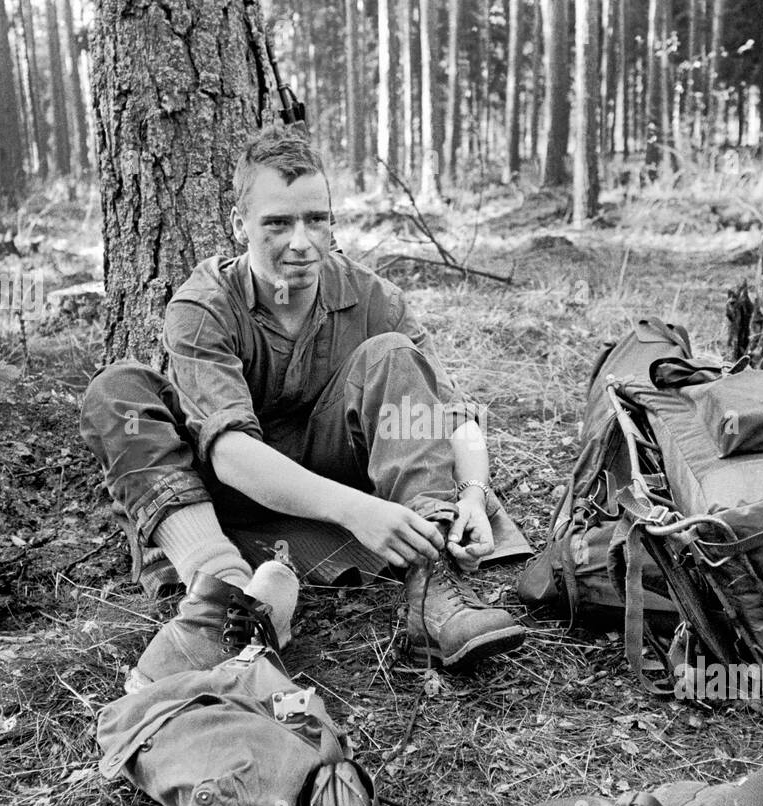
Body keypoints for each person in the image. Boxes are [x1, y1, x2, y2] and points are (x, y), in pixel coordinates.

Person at [80, 126, 526, 689]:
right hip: (227, 497)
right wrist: (356, 512)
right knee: (117, 391)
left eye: (317, 219)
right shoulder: (202, 305)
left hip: (336, 473)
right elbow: (232, 454)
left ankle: (433, 590)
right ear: (238, 223)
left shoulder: (373, 298)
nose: (302, 242)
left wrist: (473, 496)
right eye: (277, 223)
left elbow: (450, 416)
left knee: (393, 354)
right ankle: (221, 593)